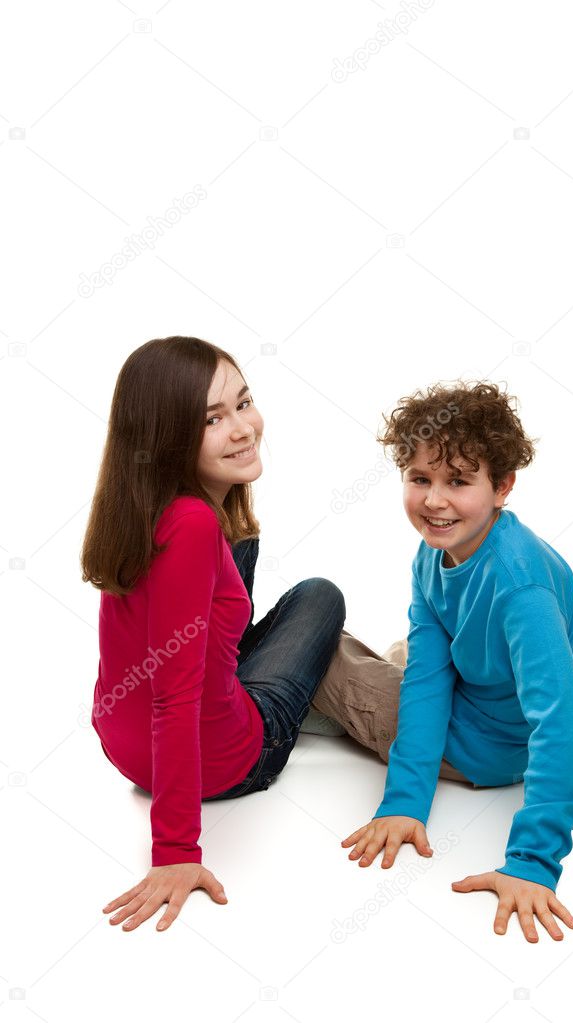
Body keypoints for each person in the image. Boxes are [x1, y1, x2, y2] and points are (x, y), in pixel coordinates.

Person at [311, 380, 573, 943]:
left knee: (317, 647)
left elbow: (559, 723)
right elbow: (428, 673)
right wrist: (408, 797)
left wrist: (533, 863)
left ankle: (289, 706)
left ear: (503, 486)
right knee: (413, 649)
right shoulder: (437, 550)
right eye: (420, 479)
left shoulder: (520, 587)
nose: (434, 501)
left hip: (485, 749)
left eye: (458, 482)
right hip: (478, 698)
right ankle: (336, 710)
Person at [81, 336, 345, 933]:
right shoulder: (197, 524)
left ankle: (256, 667)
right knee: (319, 595)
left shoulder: (133, 505)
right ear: (168, 437)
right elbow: (176, 698)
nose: (244, 428)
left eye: (243, 403)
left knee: (240, 538)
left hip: (123, 747)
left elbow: (124, 652)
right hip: (226, 760)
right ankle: (310, 712)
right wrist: (174, 852)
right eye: (211, 419)